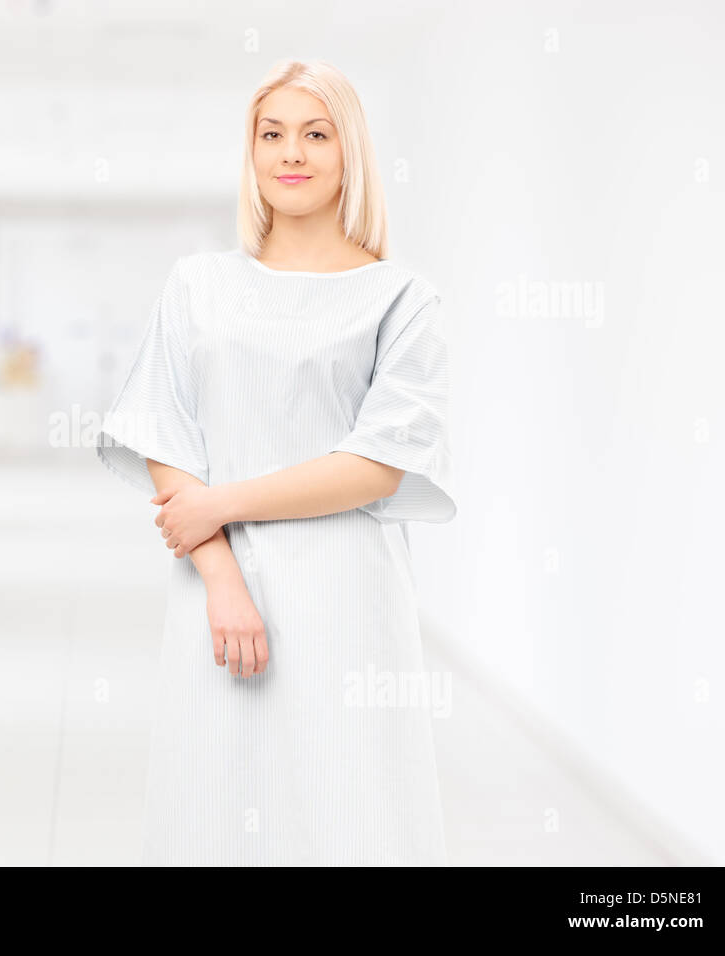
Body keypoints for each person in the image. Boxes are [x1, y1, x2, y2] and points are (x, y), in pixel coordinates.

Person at [95, 58, 458, 866]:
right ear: (252, 153)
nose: (291, 153)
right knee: (216, 798)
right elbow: (165, 432)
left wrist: (220, 507)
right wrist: (224, 582)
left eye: (316, 134)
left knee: (352, 806)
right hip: (218, 594)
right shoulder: (198, 285)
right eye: (272, 134)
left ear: (348, 153)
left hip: (349, 594)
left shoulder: (400, 299)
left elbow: (377, 465)